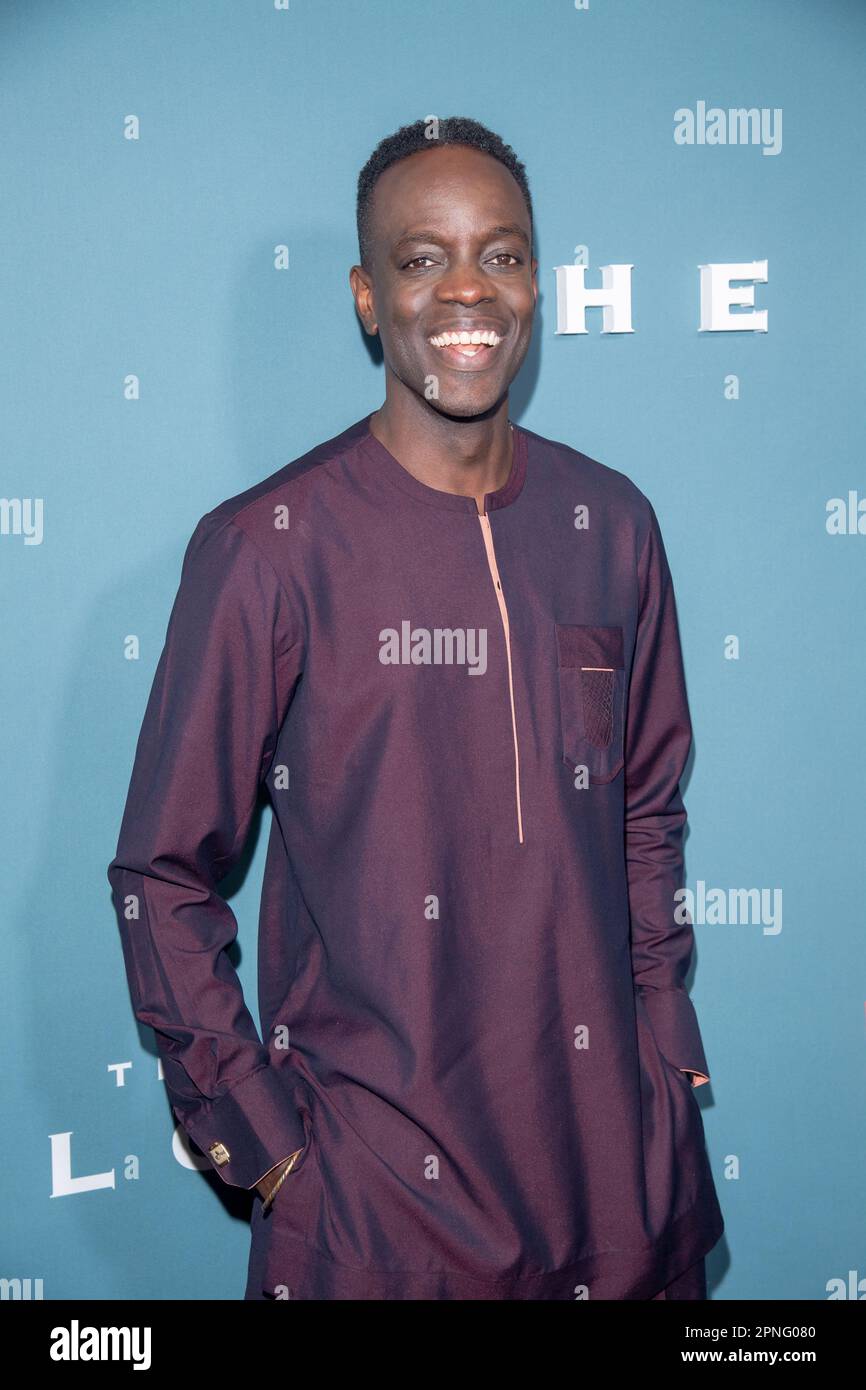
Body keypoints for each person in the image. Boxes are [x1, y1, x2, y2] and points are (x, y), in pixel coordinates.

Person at [107, 115, 724, 1300]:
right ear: (363, 296)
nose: (464, 290)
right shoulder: (266, 548)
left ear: (537, 283)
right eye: (418, 257)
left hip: (618, 1186)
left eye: (499, 253)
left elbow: (646, 807)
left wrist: (661, 1046)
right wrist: (266, 1146)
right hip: (377, 1218)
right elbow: (161, 876)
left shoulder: (614, 525)